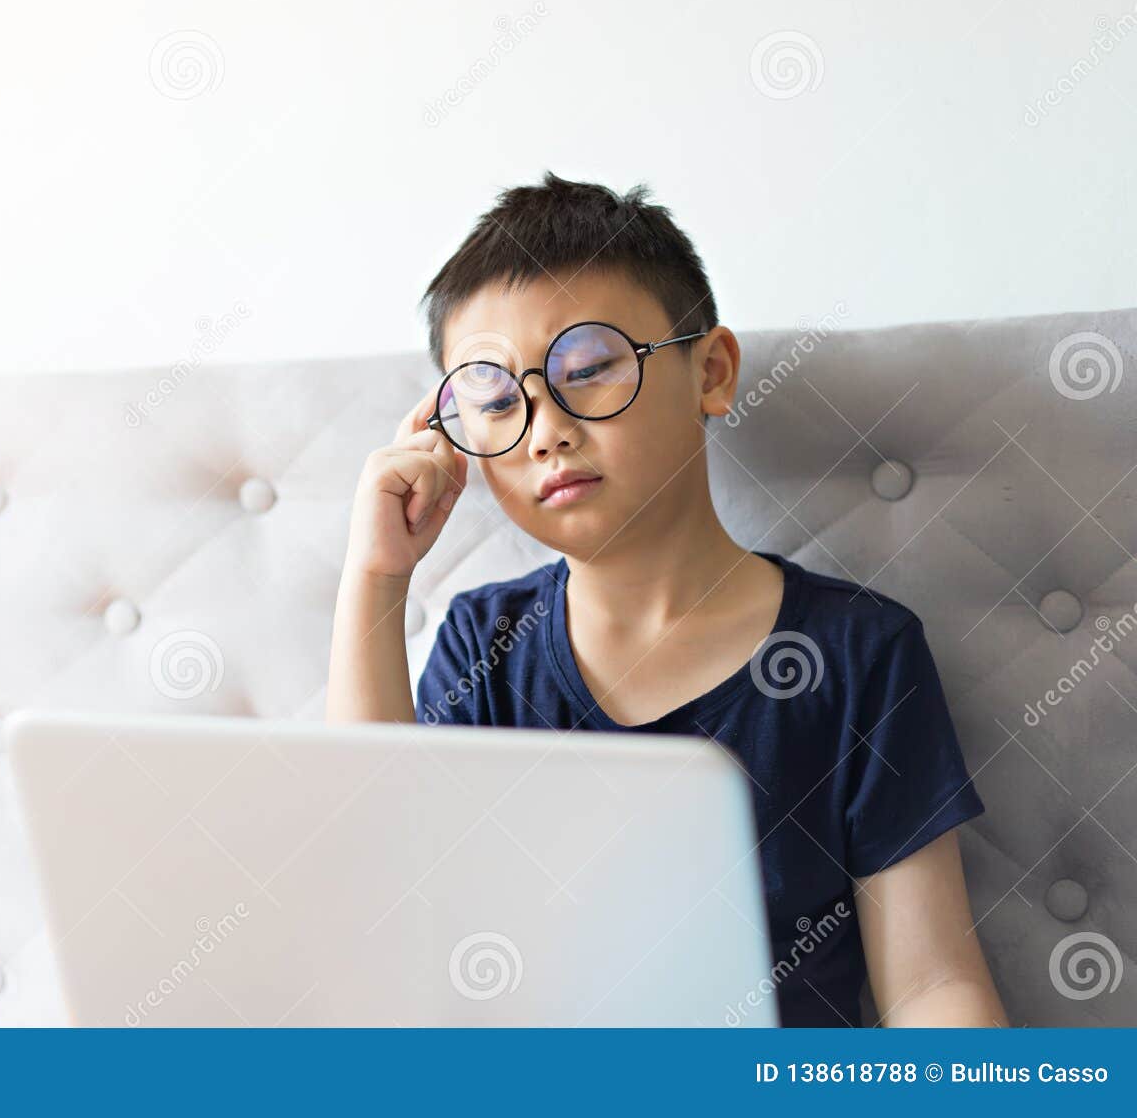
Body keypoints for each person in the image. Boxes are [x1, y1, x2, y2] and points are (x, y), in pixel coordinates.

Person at [326, 170, 1007, 1027]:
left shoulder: (858, 651)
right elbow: (380, 895)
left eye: (591, 368)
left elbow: (932, 984)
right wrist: (377, 576)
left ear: (711, 371)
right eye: (496, 399)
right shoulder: (485, 643)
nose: (547, 431)